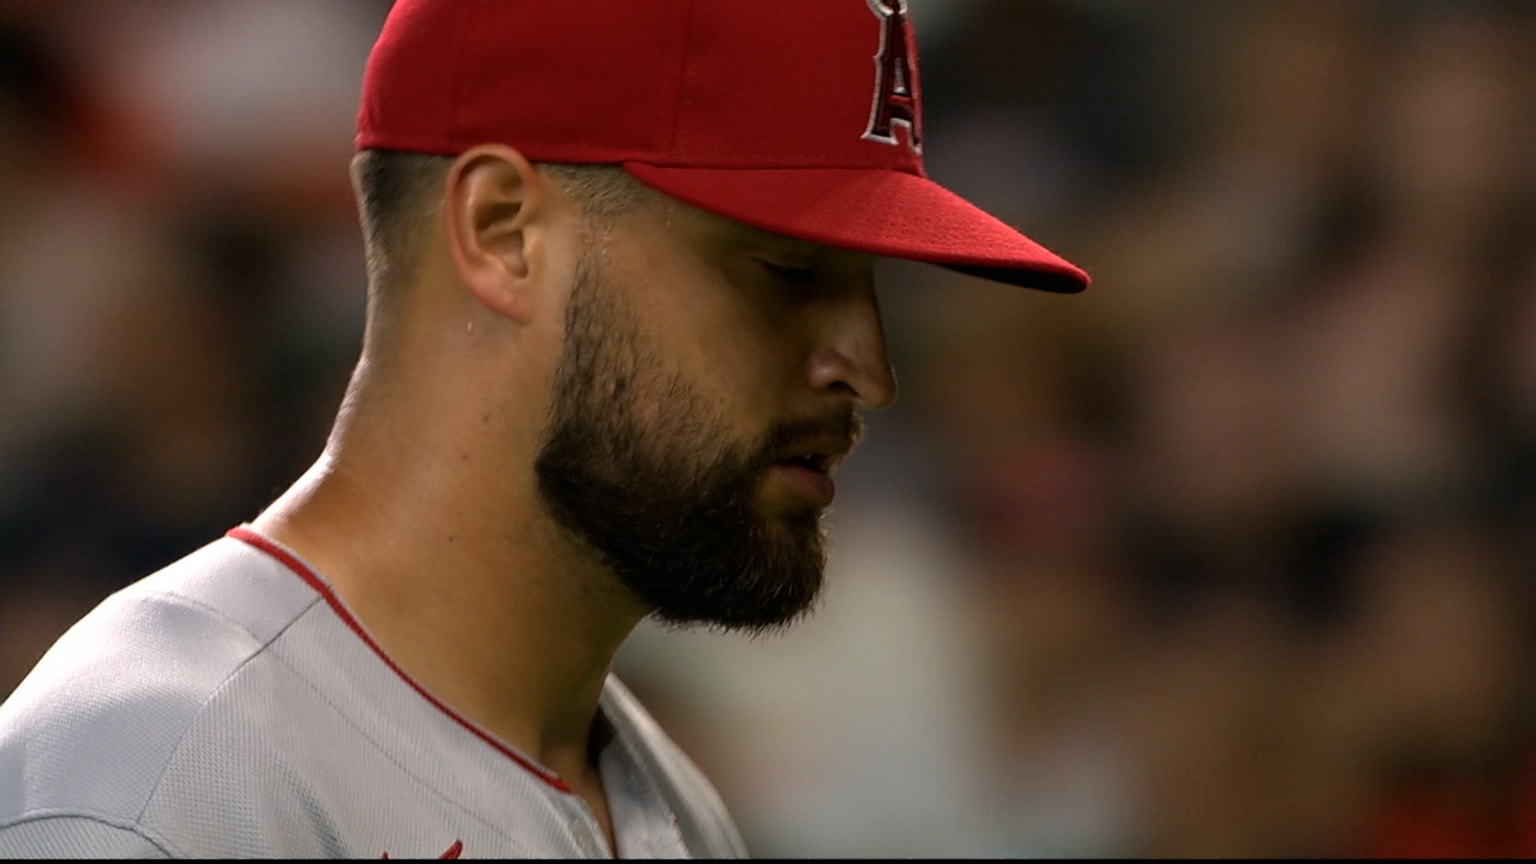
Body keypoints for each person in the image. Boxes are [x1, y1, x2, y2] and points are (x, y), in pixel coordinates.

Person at [0, 0, 1088, 858]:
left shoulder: (663, 795)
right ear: (503, 232)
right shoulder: (154, 779)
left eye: (868, 286)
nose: (870, 371)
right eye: (786, 272)